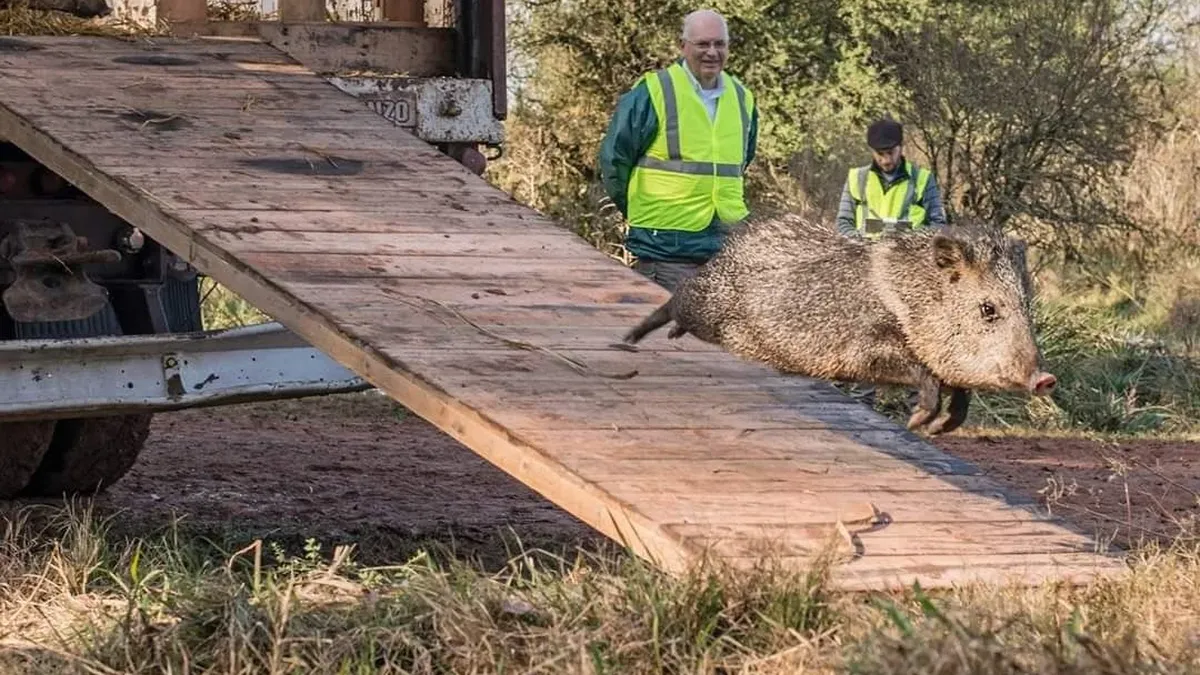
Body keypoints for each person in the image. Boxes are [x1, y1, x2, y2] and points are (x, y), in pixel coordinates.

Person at [597, 8, 759, 292]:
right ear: (683, 46)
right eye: (703, 44)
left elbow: (741, 162)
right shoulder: (653, 92)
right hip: (667, 250)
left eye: (719, 44)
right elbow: (615, 162)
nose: (712, 52)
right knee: (667, 336)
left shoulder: (743, 97)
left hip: (727, 248)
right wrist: (638, 210)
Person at [835, 117, 947, 238]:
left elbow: (938, 224)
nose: (886, 160)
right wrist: (858, 240)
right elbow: (843, 223)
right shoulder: (856, 178)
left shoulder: (923, 179)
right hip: (863, 252)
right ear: (871, 150)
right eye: (880, 154)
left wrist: (914, 240)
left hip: (909, 254)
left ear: (901, 146)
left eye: (891, 152)